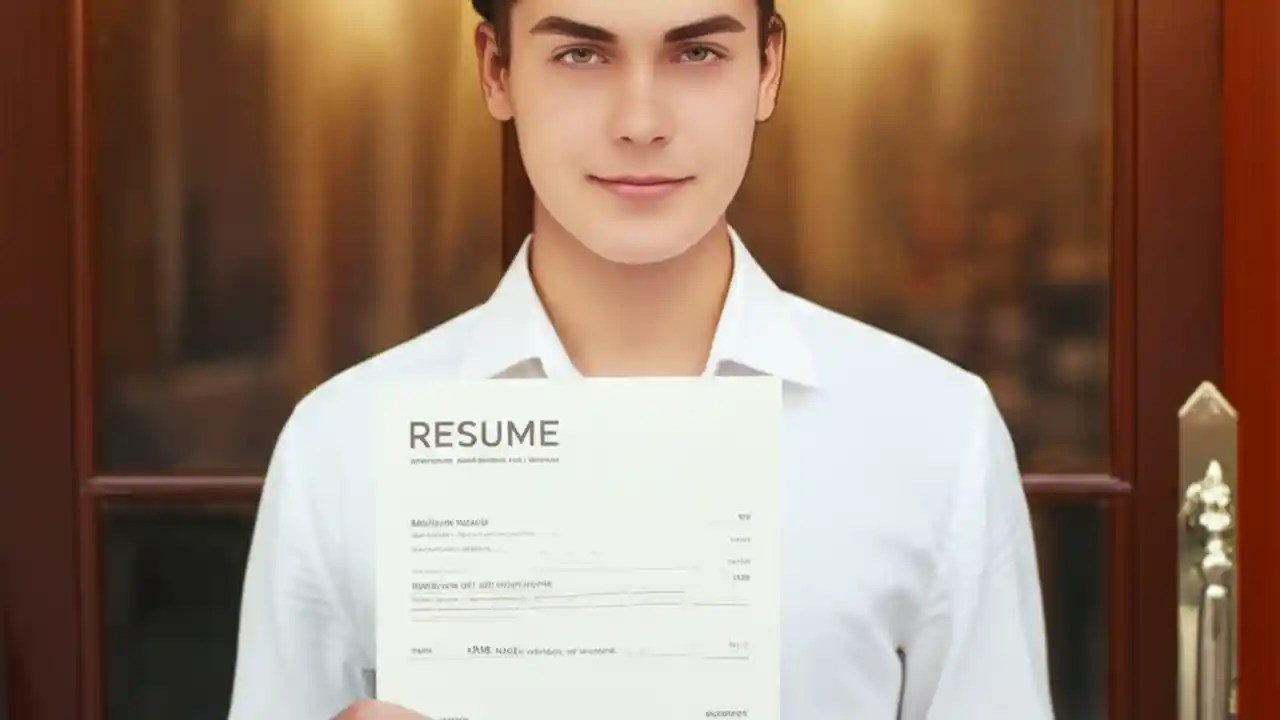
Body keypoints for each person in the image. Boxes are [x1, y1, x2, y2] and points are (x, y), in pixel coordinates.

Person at [227, 0, 1054, 718]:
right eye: (581, 54)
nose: (640, 120)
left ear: (768, 69)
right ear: (496, 71)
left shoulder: (936, 434)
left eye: (697, 52)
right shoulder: (338, 448)